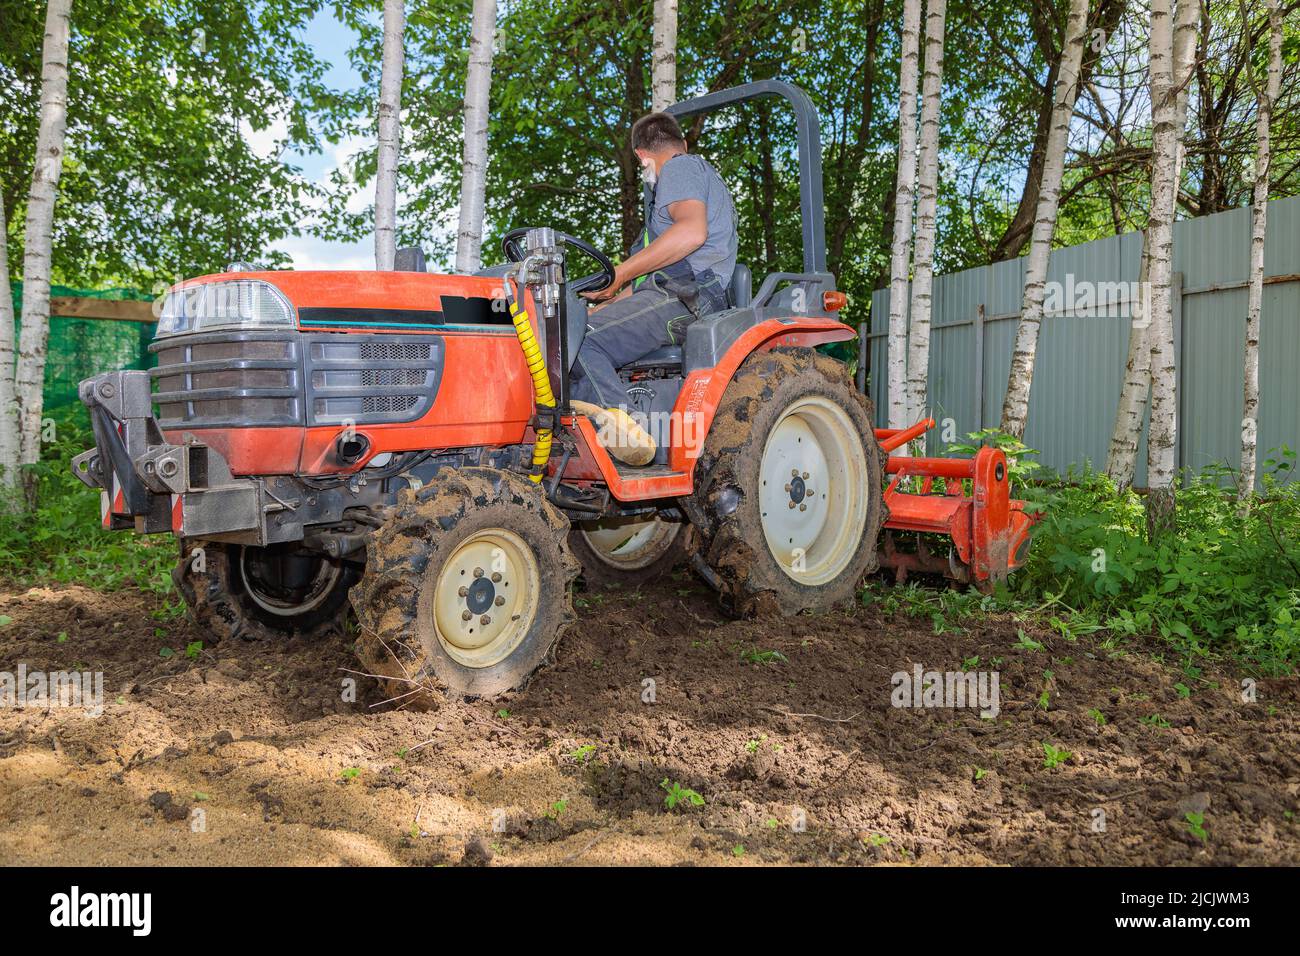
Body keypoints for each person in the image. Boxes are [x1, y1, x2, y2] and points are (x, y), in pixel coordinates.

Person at [569, 112, 738, 443]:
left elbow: (691, 233)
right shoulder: (695, 183)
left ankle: (623, 435)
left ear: (641, 157)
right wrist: (601, 306)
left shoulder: (680, 166)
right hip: (680, 294)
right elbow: (648, 281)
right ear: (682, 141)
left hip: (687, 294)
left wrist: (619, 274)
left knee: (577, 341)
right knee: (579, 328)